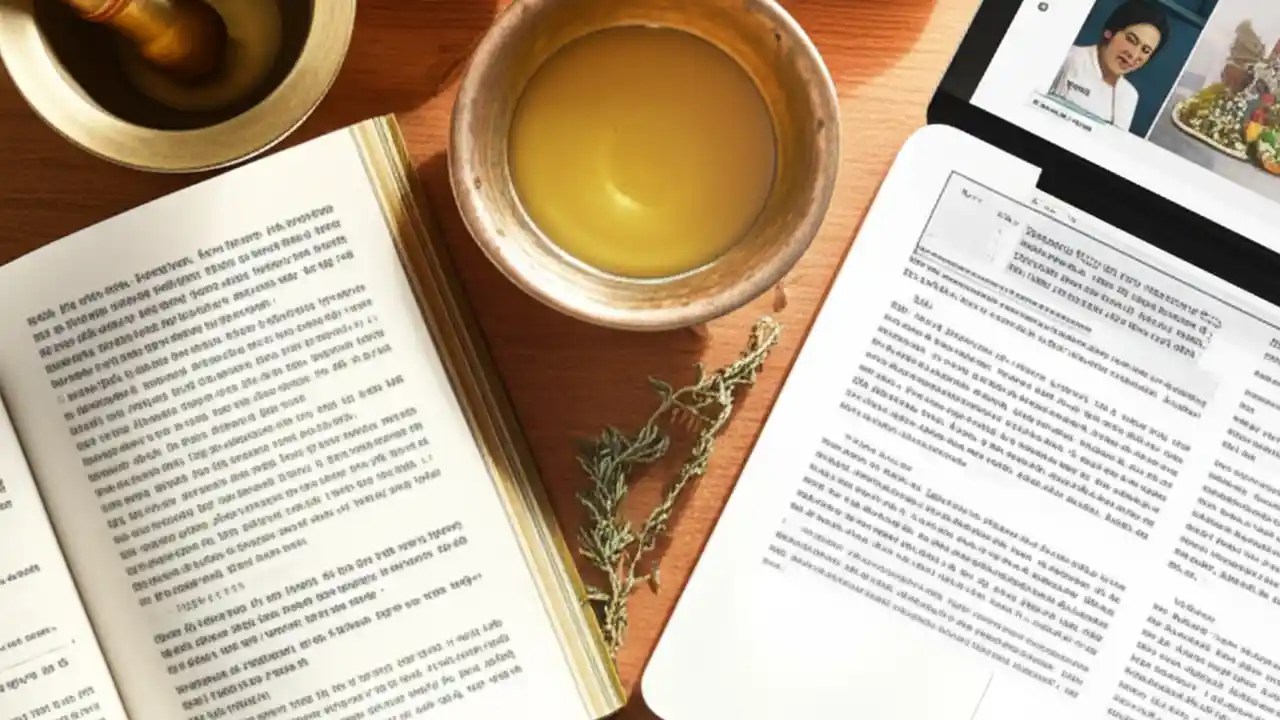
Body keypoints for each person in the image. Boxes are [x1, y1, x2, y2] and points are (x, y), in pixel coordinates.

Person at [1050, 0, 1171, 131]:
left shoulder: (1129, 95)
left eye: (1145, 50)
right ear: (1110, 32)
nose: (1134, 55)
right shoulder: (1067, 59)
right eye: (1131, 40)